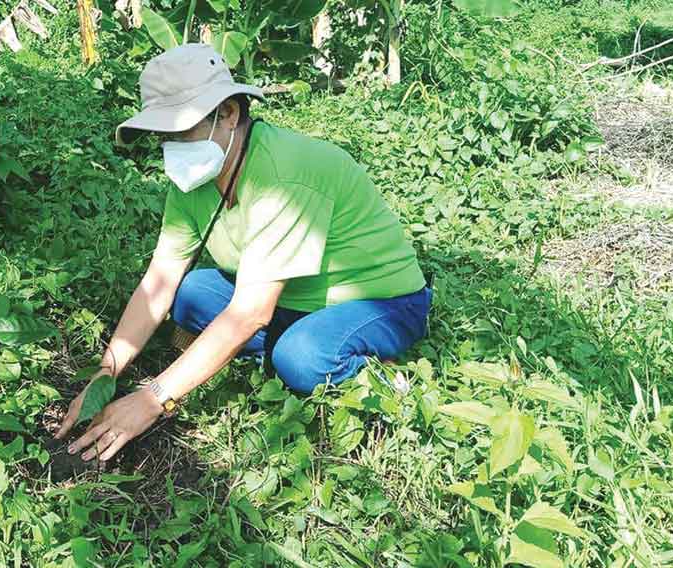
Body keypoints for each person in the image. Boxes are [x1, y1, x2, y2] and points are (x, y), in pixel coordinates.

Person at [54, 44, 432, 463]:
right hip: (287, 296)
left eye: (183, 129)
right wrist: (106, 373)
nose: (173, 146)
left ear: (230, 113)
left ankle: (380, 375)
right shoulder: (196, 180)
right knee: (191, 293)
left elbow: (249, 312)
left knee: (301, 359)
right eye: (163, 135)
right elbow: (160, 278)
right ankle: (272, 346)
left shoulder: (282, 175)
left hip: (378, 302)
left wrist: (153, 397)